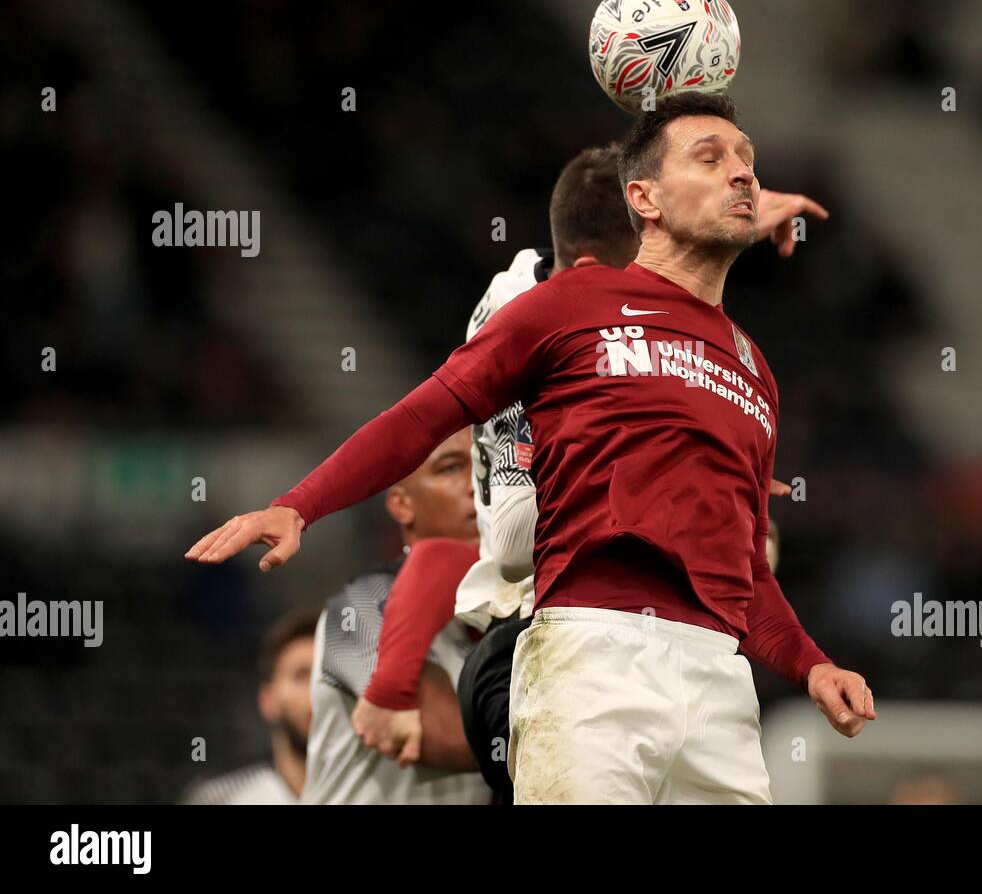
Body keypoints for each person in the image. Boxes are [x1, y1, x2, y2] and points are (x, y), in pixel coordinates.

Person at [187, 93, 871, 804]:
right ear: (644, 198)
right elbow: (422, 416)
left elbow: (746, 570)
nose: (742, 174)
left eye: (747, 161)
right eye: (711, 157)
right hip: (591, 655)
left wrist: (811, 665)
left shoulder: (752, 367)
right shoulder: (562, 301)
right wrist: (301, 504)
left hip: (720, 683)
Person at [302, 429, 491, 803]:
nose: (477, 484)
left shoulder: (507, 604)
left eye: (486, 465)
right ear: (402, 505)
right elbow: (443, 735)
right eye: (451, 468)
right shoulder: (362, 605)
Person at [180, 606, 318, 804]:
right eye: (302, 676)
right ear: (268, 700)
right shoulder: (218, 798)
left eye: (328, 678)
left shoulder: (374, 793)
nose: (318, 691)